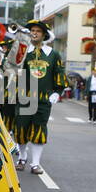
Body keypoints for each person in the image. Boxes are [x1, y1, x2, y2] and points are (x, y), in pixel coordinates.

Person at [15, 20, 66, 176]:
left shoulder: (52, 54)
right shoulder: (23, 51)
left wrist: (57, 92)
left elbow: (59, 73)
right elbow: (12, 70)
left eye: (38, 31)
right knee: (21, 128)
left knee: (39, 128)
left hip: (43, 99)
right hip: (24, 97)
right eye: (32, 30)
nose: (34, 33)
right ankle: (22, 158)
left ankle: (35, 163)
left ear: (44, 34)